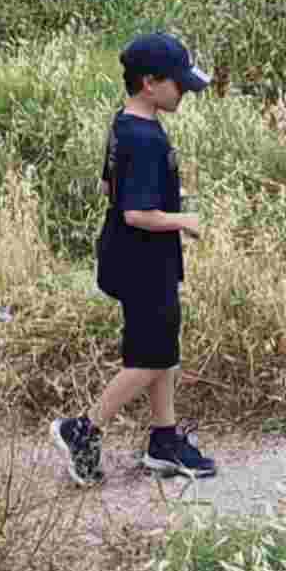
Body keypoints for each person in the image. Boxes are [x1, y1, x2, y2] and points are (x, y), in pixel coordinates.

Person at [50, 32, 217, 486]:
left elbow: (109, 185)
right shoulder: (144, 138)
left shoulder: (124, 123)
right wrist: (184, 220)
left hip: (134, 256)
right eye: (178, 83)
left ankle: (163, 440)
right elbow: (136, 213)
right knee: (150, 358)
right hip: (143, 261)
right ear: (149, 83)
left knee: (161, 349)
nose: (184, 92)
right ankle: (82, 429)